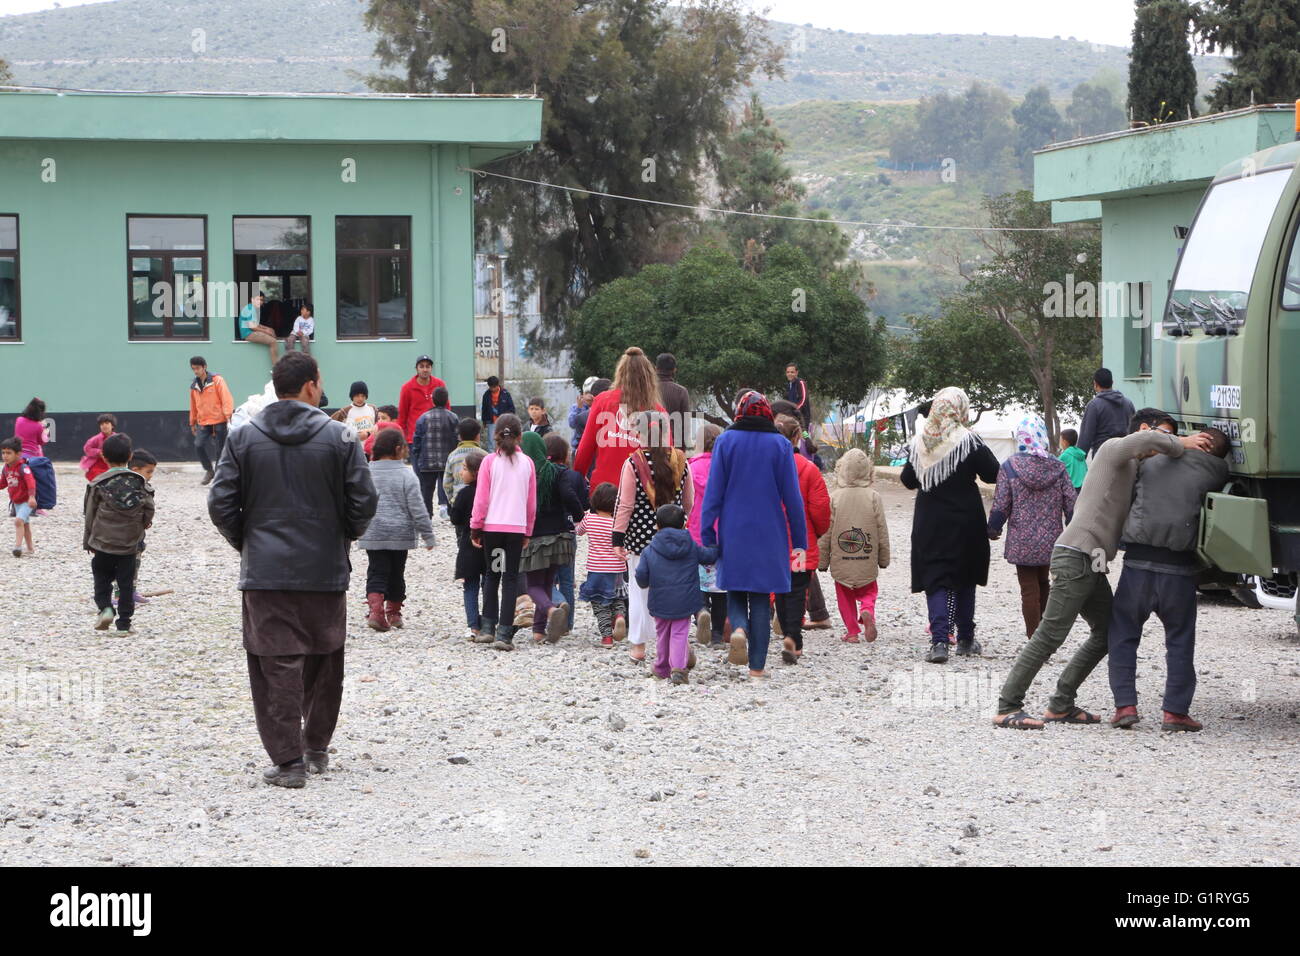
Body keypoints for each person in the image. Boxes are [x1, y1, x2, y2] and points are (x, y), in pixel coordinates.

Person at [208, 352, 379, 788]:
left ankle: (287, 762)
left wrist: (247, 541)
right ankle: (315, 748)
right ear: (309, 386)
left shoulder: (242, 439)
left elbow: (221, 503)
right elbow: (364, 501)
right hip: (323, 569)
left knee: (274, 663)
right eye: (319, 382)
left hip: (265, 573)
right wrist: (340, 537)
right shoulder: (341, 438)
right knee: (324, 657)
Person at [992, 409, 1213, 730]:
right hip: (1076, 553)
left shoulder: (1135, 469)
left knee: (1109, 630)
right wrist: (1183, 442)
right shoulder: (1113, 449)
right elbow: (1148, 441)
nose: (1165, 444)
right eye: (1162, 434)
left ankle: (1061, 704)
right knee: (1050, 634)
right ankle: (1007, 705)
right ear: (1142, 429)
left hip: (1093, 559)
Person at [1109, 427, 1231, 733]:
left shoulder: (1151, 461)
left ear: (1199, 442)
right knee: (1179, 640)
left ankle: (1125, 706)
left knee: (1123, 635)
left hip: (1137, 562)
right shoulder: (1217, 471)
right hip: (1178, 569)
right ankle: (1175, 713)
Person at [700, 390, 807, 678]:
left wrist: (707, 532)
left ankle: (737, 628)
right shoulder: (780, 445)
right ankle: (757, 669)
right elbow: (793, 499)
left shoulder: (725, 441)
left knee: (735, 587)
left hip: (733, 529)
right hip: (770, 532)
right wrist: (800, 542)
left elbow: (713, 494)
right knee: (760, 598)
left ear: (739, 413)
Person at [900, 387, 1001, 663]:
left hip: (930, 520)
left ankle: (940, 642)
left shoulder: (921, 442)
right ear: (960, 409)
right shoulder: (969, 440)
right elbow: (994, 473)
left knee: (935, 578)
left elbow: (909, 480)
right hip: (965, 520)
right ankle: (966, 638)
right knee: (966, 576)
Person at [612, 410, 693, 663]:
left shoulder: (633, 463)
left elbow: (625, 504)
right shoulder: (681, 459)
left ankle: (638, 646)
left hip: (641, 539)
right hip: (675, 535)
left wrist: (617, 538)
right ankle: (675, 645)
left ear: (639, 433)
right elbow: (689, 502)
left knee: (639, 592)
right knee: (675, 591)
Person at [987, 414, 1078, 640]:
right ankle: (1044, 638)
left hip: (1022, 539)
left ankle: (1033, 640)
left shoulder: (1010, 466)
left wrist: (994, 527)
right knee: (1044, 583)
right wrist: (1074, 528)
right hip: (1051, 539)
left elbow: (1001, 503)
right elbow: (1071, 502)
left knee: (1028, 589)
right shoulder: (1057, 467)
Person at [357, 428, 435, 632]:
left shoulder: (365, 473)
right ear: (398, 449)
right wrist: (428, 535)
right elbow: (417, 508)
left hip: (373, 532)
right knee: (397, 572)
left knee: (376, 570)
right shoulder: (406, 475)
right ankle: (394, 612)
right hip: (400, 534)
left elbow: (356, 503)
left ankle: (375, 612)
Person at [469, 413, 535, 651]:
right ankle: (504, 634)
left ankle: (487, 627)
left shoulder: (489, 462)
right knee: (510, 579)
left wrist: (476, 527)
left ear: (495, 435)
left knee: (492, 574)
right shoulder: (527, 463)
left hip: (493, 528)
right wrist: (528, 530)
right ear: (520, 436)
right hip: (515, 530)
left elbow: (482, 499)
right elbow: (531, 502)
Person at [635, 503, 718, 684]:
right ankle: (678, 668)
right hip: (685, 600)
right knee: (680, 633)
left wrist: (644, 583)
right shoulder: (691, 546)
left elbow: (641, 575)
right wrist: (715, 545)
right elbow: (708, 557)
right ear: (683, 524)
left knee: (662, 633)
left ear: (657, 525)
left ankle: (661, 666)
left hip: (660, 601)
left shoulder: (649, 550)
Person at [83, 433, 154, 635]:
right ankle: (124, 624)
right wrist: (143, 524)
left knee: (101, 577)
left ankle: (105, 608)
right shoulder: (140, 482)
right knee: (125, 584)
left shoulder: (97, 483)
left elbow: (90, 514)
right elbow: (149, 507)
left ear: (104, 457)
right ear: (130, 455)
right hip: (129, 545)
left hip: (103, 542)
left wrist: (88, 541)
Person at [818, 447, 890, 643]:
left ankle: (851, 632)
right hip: (866, 557)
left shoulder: (834, 497)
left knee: (844, 595)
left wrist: (822, 560)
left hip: (842, 559)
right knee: (869, 590)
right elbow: (881, 529)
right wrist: (883, 558)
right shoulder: (873, 496)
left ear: (841, 470)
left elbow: (827, 531)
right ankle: (867, 610)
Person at [774, 414, 831, 664]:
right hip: (800, 541)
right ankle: (793, 639)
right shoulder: (809, 469)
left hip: (773, 542)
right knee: (797, 590)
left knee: (779, 590)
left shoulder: (768, 468)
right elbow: (819, 508)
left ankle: (787, 632)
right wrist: (818, 532)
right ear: (798, 436)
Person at [519, 431, 584, 643]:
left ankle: (550, 609)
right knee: (547, 583)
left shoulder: (524, 473)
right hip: (559, 537)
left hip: (535, 537)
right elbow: (569, 495)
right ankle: (539, 632)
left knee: (533, 585)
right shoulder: (557, 472)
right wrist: (579, 516)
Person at [574, 347, 665, 492]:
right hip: (642, 495)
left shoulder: (603, 401)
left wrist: (578, 477)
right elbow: (667, 457)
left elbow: (585, 449)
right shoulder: (659, 411)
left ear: (620, 374)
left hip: (604, 494)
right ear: (648, 377)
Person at [687, 423, 727, 648]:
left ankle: (701, 611)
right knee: (722, 588)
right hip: (722, 535)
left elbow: (684, 502)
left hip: (697, 533)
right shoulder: (726, 467)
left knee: (696, 582)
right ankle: (718, 635)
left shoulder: (690, 468)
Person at [578, 481, 628, 648]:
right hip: (618, 569)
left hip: (597, 569)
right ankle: (620, 617)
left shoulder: (589, 519)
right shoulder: (618, 523)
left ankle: (607, 637)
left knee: (599, 603)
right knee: (617, 598)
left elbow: (578, 531)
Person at [546, 432, 587, 631]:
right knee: (567, 579)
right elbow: (584, 503)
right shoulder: (576, 477)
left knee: (546, 578)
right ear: (565, 454)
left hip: (547, 532)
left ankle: (556, 601)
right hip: (569, 531)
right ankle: (568, 624)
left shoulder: (543, 474)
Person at [448, 449, 488, 641]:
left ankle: (474, 626)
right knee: (489, 584)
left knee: (470, 586)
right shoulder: (492, 491)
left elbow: (455, 519)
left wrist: (450, 506)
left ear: (475, 472)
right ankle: (489, 623)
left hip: (469, 544)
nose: (461, 473)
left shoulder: (464, 494)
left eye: (464, 469)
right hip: (491, 544)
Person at [411, 386, 460, 517]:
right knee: (449, 487)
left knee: (427, 490)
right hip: (447, 461)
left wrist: (416, 455)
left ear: (432, 400)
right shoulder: (453, 417)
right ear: (446, 400)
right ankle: (451, 512)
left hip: (427, 462)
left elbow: (417, 440)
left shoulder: (423, 418)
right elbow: (457, 439)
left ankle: (428, 515)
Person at [188, 357, 234, 487]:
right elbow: (193, 405)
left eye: (197, 368)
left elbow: (226, 398)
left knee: (220, 450)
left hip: (219, 420)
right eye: (193, 369)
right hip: (203, 422)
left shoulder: (217, 380)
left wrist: (227, 415)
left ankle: (219, 477)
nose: (195, 371)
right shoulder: (194, 386)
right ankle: (209, 470)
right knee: (198, 445)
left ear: (204, 367)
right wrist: (192, 422)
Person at [1077, 368, 1135, 457]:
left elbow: (1086, 437)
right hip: (1125, 456)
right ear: (1112, 382)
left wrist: (1079, 458)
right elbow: (1134, 430)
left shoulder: (1094, 405)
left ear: (1095, 384)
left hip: (1102, 457)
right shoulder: (1128, 403)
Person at [14, 397, 55, 513]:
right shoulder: (38, 426)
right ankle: (37, 506)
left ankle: (17, 504)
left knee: (20, 481)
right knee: (36, 480)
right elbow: (42, 441)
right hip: (32, 458)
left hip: (18, 454)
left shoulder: (19, 420)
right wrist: (46, 431)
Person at [2, 436, 37, 558]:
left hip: (26, 500)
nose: (5, 456)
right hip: (16, 501)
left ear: (18, 454)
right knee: (25, 524)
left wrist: (32, 497)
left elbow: (31, 482)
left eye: (9, 453)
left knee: (18, 521)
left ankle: (17, 547)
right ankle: (30, 548)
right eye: (3, 453)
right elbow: (3, 483)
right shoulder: (5, 469)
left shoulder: (23, 468)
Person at [398, 355, 447, 442]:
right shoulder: (407, 388)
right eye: (421, 366)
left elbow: (446, 408)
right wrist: (403, 439)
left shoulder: (439, 384)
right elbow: (402, 416)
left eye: (428, 366)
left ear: (431, 368)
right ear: (416, 369)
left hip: (437, 436)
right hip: (415, 438)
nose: (425, 369)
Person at [655, 353, 692, 451]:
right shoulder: (681, 392)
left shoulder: (646, 390)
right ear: (674, 370)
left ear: (655, 369)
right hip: (674, 450)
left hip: (649, 449)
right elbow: (686, 426)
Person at [443, 418, 484, 505]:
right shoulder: (485, 456)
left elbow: (447, 483)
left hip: (458, 502)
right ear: (478, 436)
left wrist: (452, 500)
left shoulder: (452, 456)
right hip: (479, 502)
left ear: (460, 437)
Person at [238, 292, 279, 363]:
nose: (260, 302)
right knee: (273, 341)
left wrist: (267, 328)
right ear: (252, 299)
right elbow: (252, 327)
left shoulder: (252, 308)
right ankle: (276, 368)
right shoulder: (249, 309)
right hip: (248, 334)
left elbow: (256, 324)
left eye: (261, 300)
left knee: (271, 331)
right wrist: (266, 331)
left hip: (252, 332)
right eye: (258, 299)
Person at [479, 375, 515, 451]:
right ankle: (491, 458)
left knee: (504, 440)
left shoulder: (505, 394)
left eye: (494, 387)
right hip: (491, 422)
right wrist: (484, 421)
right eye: (491, 387)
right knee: (491, 441)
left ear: (497, 385)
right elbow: (484, 408)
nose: (493, 389)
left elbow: (511, 408)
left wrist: (510, 420)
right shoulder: (486, 395)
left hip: (504, 422)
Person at [80, 413, 117, 483]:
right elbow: (87, 448)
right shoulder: (96, 439)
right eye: (102, 424)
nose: (104, 426)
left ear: (112, 425)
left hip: (112, 464)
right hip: (97, 465)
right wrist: (98, 452)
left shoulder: (117, 438)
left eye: (107, 423)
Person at [568, 379, 597, 448]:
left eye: (592, 393)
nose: (589, 395)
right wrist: (579, 408)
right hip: (579, 445)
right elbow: (572, 424)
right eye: (587, 393)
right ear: (583, 394)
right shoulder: (576, 406)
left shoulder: (600, 407)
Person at [784, 362, 811, 428]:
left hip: (802, 419)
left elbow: (803, 399)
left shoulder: (801, 383)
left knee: (804, 436)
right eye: (788, 372)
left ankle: (806, 438)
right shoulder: (789, 385)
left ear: (796, 373)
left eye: (792, 372)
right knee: (792, 437)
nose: (789, 374)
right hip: (792, 418)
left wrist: (794, 410)